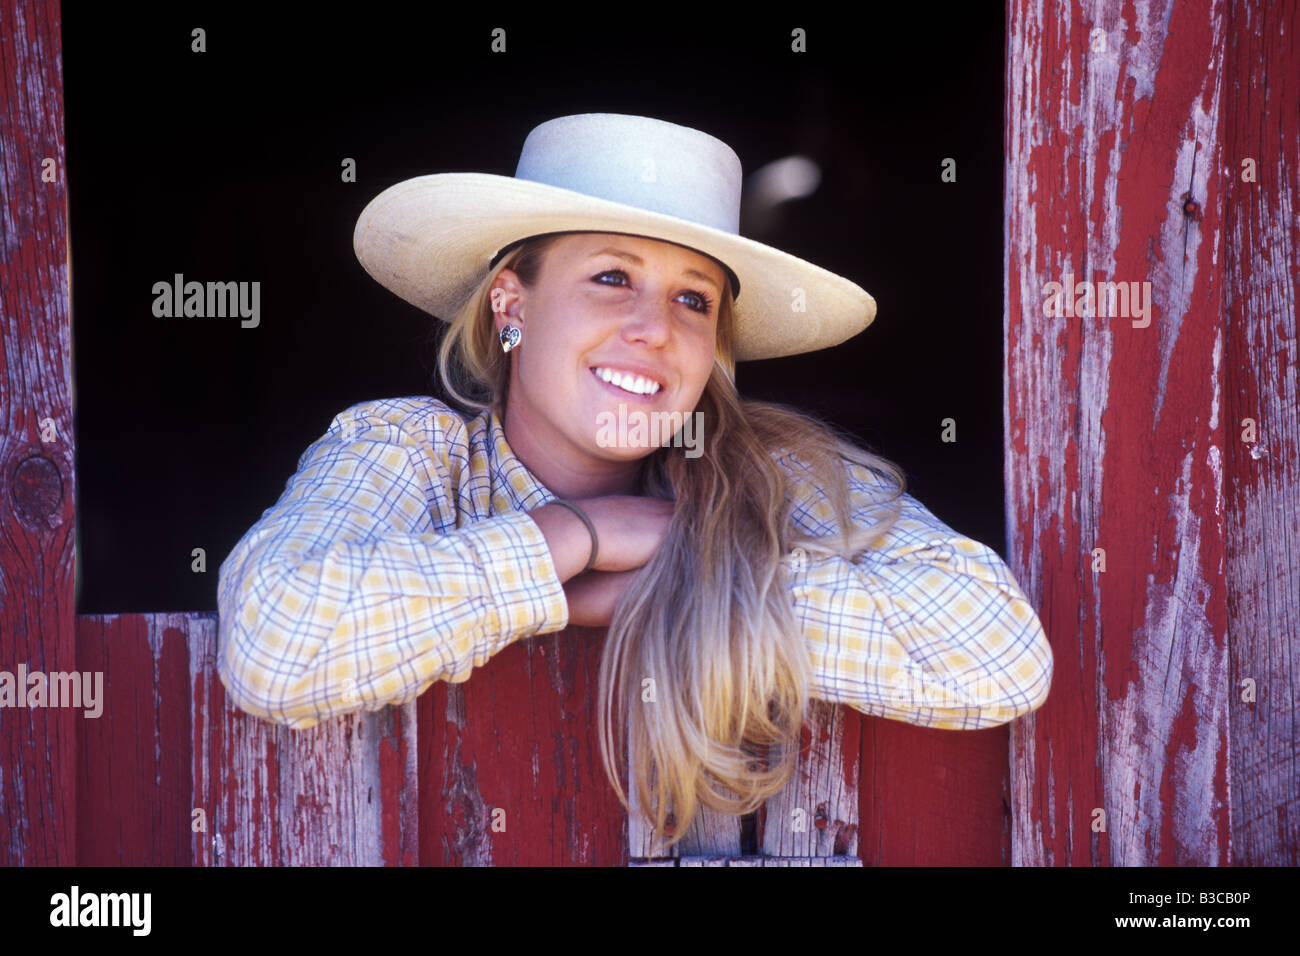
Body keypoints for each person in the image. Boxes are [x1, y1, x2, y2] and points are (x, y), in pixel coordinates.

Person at [216, 113, 1054, 854]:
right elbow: (277, 643)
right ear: (511, 305)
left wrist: (686, 577)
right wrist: (577, 539)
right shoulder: (410, 449)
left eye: (693, 300)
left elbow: (998, 655)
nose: (654, 329)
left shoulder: (771, 474)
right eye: (612, 278)